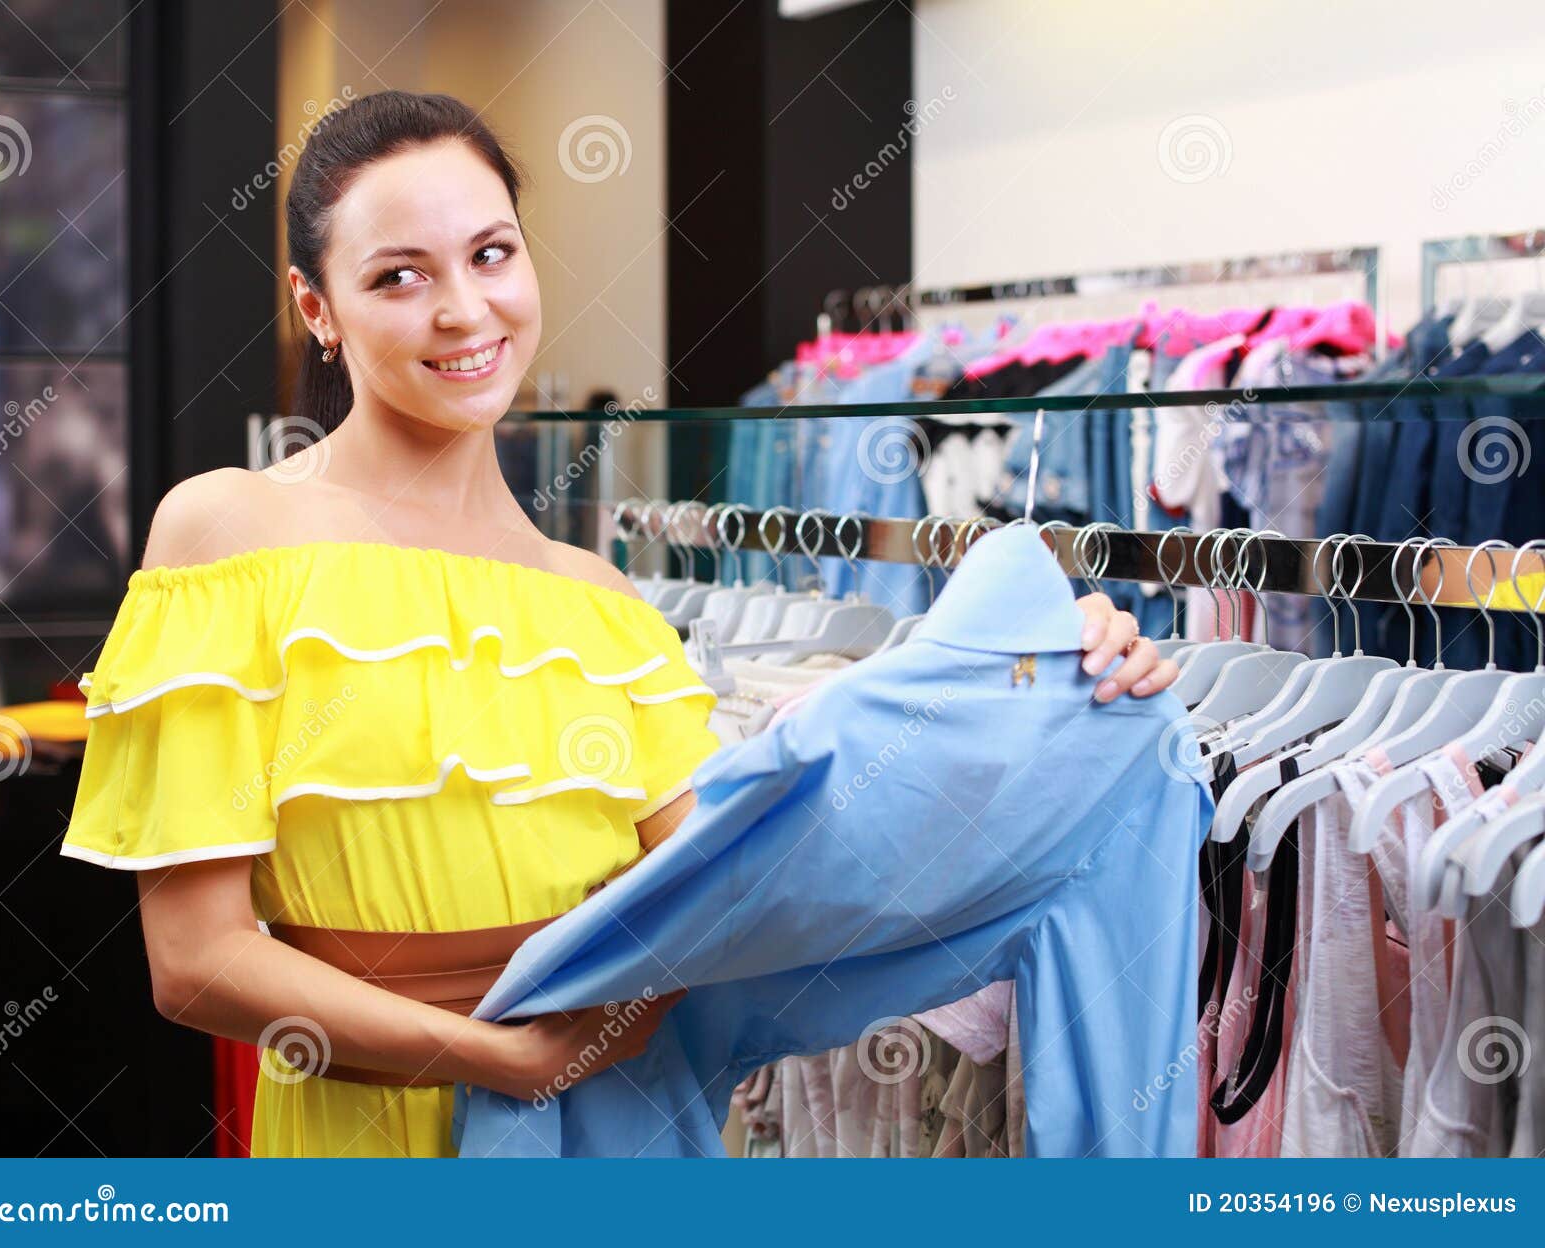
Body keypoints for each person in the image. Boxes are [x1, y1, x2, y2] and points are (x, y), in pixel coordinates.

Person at [61, 90, 1180, 1158]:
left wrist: (1035, 676)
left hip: (629, 1136)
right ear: (319, 309)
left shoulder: (605, 605)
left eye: (491, 254)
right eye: (399, 276)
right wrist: (497, 1061)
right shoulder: (231, 533)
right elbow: (194, 964)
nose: (462, 309)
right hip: (375, 1146)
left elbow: (759, 891)